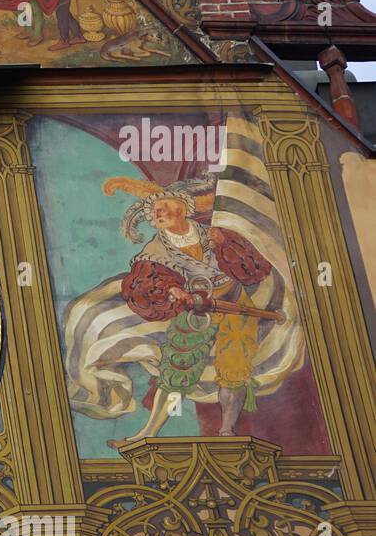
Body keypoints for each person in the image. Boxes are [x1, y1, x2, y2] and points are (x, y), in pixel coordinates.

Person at [112, 180, 275, 442]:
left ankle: (226, 431)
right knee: (176, 367)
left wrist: (224, 244)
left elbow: (253, 266)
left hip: (235, 304)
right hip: (195, 309)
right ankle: (149, 432)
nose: (157, 213)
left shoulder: (214, 233)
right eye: (154, 212)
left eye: (163, 207)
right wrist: (173, 290)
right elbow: (144, 283)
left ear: (182, 208)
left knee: (235, 366)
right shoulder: (155, 250)